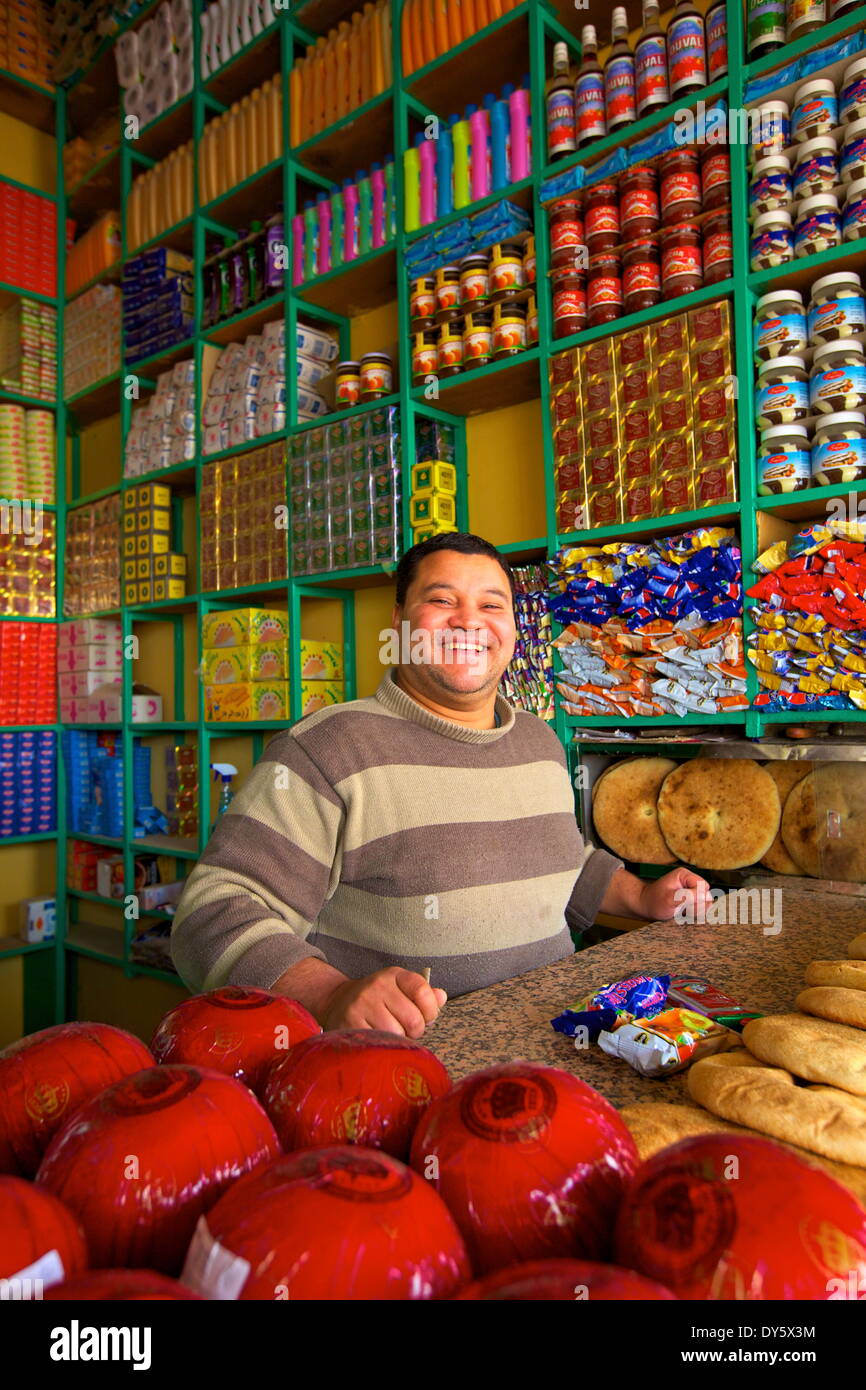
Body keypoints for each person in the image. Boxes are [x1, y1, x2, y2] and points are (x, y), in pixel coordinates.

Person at [171, 533, 711, 1036]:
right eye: (443, 600)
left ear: (513, 630)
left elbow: (556, 861)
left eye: (492, 605)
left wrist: (642, 895)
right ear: (400, 621)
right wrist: (330, 995)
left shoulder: (538, 740)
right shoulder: (329, 748)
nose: (469, 622)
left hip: (551, 1046)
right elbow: (212, 911)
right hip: (405, 1073)